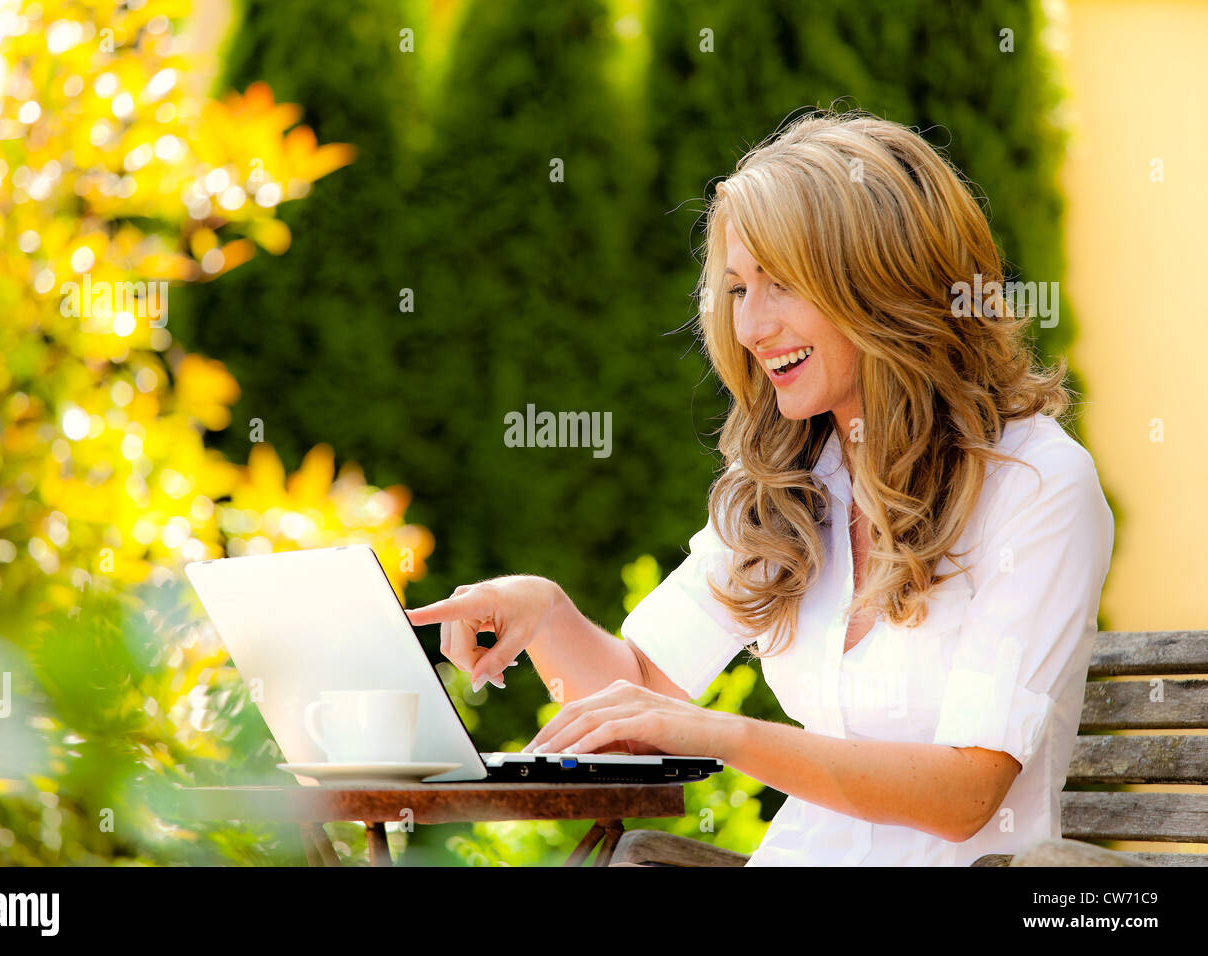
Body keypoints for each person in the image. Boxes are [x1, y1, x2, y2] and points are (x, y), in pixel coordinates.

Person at [406, 109, 1115, 866]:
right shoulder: (796, 483)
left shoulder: (1037, 485)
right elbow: (640, 692)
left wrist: (726, 735)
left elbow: (965, 793)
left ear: (884, 282)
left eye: (781, 285)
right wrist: (546, 612)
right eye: (739, 289)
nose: (750, 326)